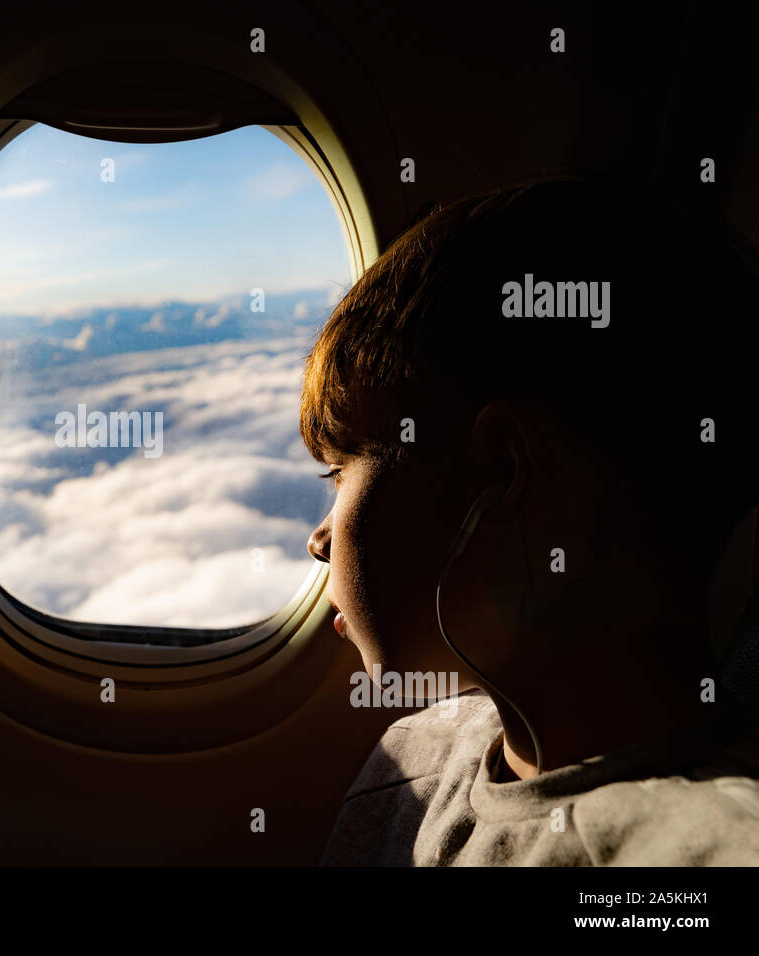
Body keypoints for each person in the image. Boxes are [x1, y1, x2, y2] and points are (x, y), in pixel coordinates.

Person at [301, 176, 759, 864]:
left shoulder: (709, 847)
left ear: (502, 471)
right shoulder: (411, 762)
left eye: (341, 473)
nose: (317, 540)